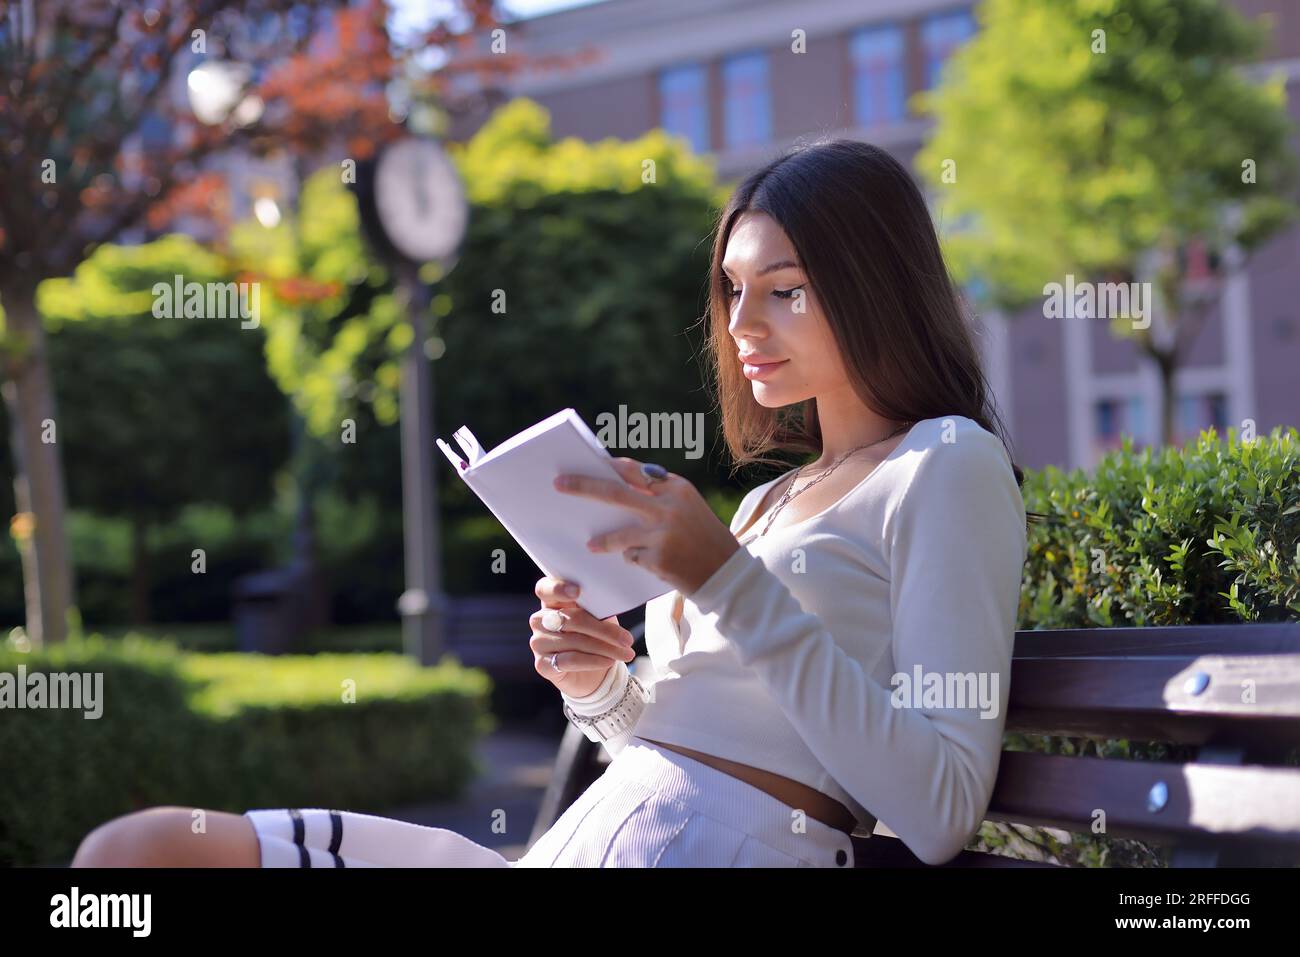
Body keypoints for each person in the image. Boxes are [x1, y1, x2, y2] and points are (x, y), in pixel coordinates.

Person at [70, 138, 1029, 869]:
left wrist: (727, 580)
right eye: (733, 289)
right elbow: (683, 731)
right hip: (586, 839)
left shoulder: (947, 463)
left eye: (784, 290)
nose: (741, 324)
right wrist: (600, 686)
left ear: (872, 287)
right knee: (139, 850)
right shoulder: (769, 499)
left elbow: (940, 809)